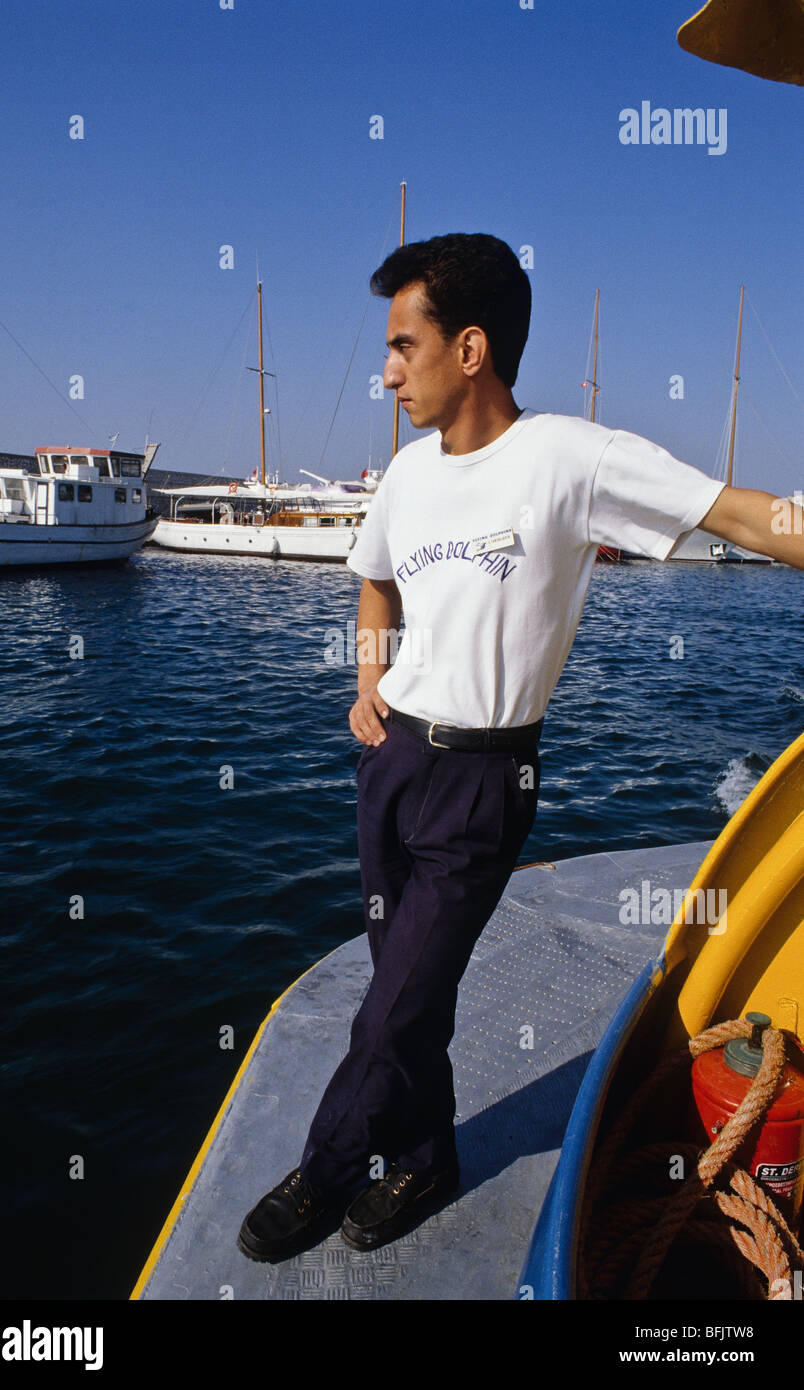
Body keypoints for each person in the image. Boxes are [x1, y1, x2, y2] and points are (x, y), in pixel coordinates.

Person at [238, 232, 804, 1263]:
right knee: (410, 995)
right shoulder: (407, 474)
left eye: (403, 345)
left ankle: (324, 1168)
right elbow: (374, 582)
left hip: (487, 779)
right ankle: (423, 1155)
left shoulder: (567, 458)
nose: (386, 368)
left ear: (470, 349)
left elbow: (743, 516)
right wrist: (368, 681)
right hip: (393, 767)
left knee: (394, 1004)